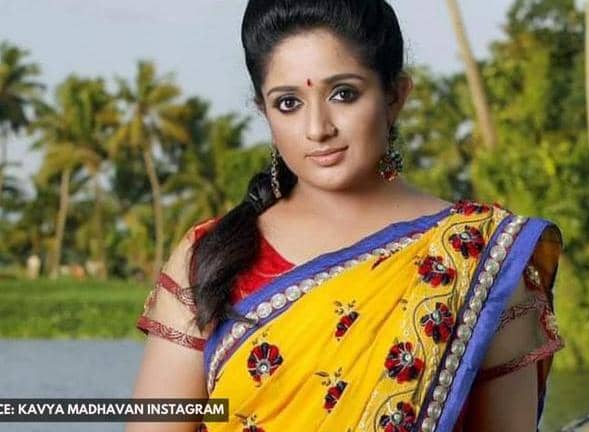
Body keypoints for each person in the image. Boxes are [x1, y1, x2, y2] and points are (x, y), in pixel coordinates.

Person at [130, 1, 564, 431]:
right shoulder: (209, 256)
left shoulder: (480, 256)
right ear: (263, 110)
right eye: (288, 103)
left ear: (395, 96)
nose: (318, 128)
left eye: (343, 94)